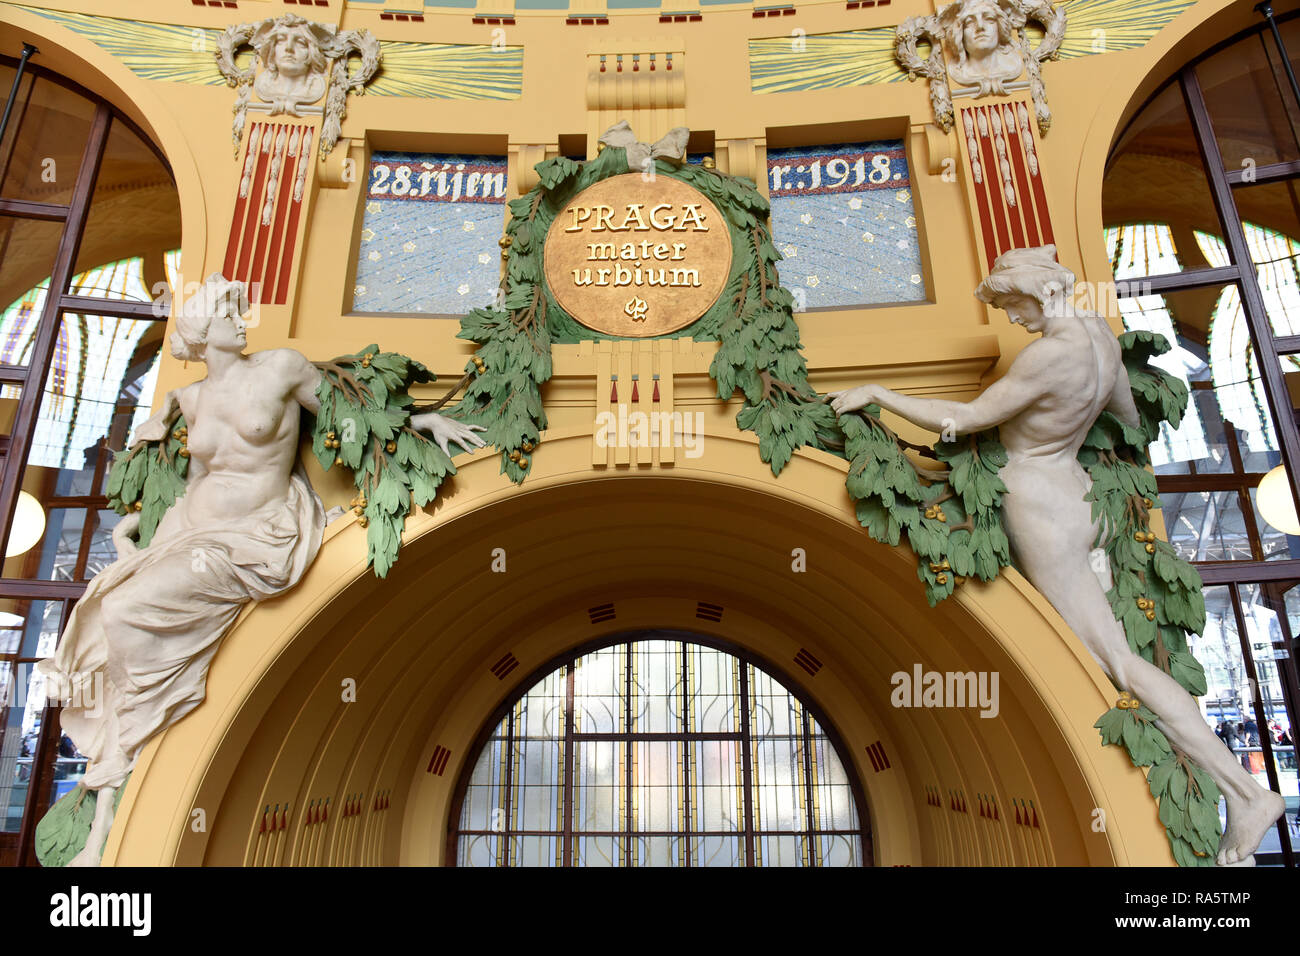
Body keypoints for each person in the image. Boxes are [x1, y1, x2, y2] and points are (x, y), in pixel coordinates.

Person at [827, 245, 1285, 865]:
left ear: (1040, 293)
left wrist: (879, 392)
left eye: (1014, 306)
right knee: (1103, 650)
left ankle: (1246, 792)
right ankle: (1235, 787)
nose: (1013, 320)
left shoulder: (1049, 357)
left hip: (1040, 504)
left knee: (1114, 661)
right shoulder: (1099, 337)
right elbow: (1127, 418)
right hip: (1081, 494)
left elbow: (962, 419)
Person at [37, 273, 484, 866]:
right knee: (107, 601)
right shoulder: (192, 399)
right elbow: (197, 482)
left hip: (256, 538)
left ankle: (133, 739)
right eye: (227, 311)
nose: (240, 317)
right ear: (201, 328)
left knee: (121, 610)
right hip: (193, 536)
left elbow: (345, 419)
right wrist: (154, 544)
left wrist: (416, 425)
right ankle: (119, 769)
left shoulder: (279, 368)